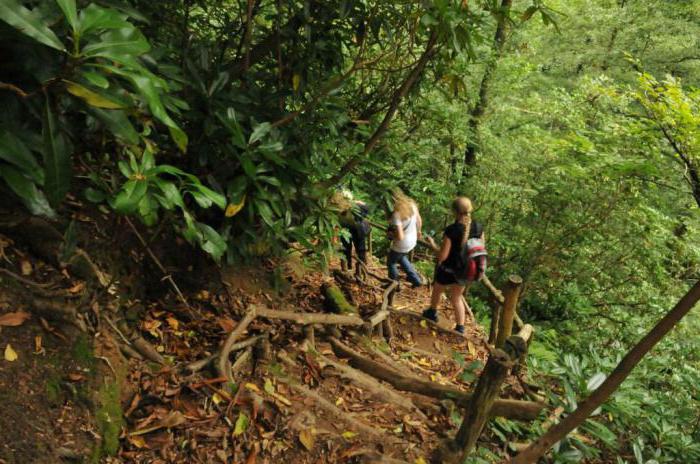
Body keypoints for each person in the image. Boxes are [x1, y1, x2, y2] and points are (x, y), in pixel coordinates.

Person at [422, 196, 484, 334]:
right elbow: (481, 247)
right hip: (466, 270)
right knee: (456, 297)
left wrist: (432, 244)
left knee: (438, 288)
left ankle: (432, 312)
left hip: (449, 269)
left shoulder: (452, 230)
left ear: (454, 211)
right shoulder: (478, 227)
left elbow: (442, 256)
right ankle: (460, 328)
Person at [387, 189, 423, 287]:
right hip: (412, 240)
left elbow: (400, 236)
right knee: (401, 257)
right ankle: (416, 280)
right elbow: (419, 220)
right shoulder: (412, 205)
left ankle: (394, 285)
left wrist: (391, 235)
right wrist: (419, 231)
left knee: (391, 262)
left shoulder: (396, 215)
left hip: (402, 243)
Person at [339, 197, 371, 274]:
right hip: (353, 228)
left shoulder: (342, 209)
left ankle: (349, 268)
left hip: (348, 228)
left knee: (347, 248)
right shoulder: (355, 207)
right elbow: (366, 209)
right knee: (359, 249)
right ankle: (360, 268)